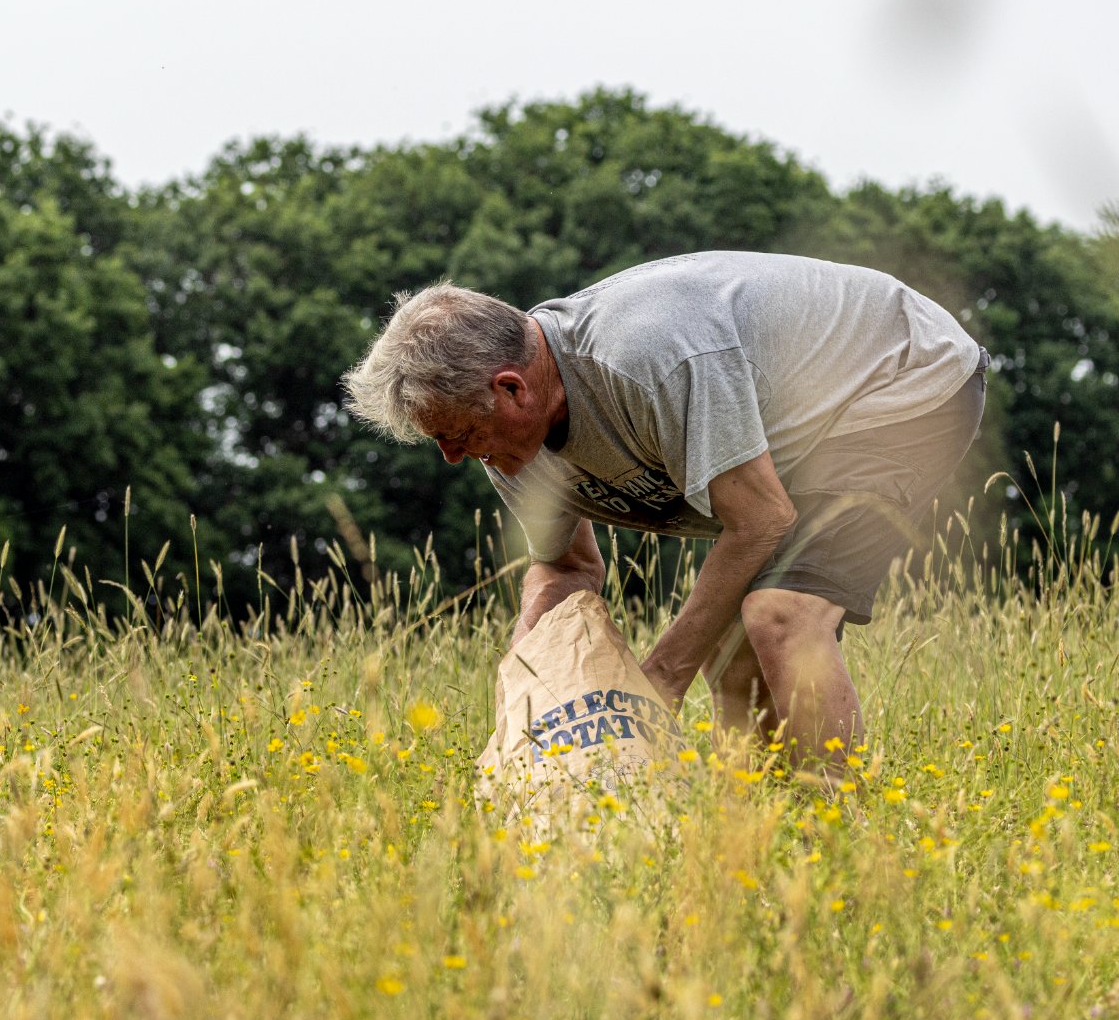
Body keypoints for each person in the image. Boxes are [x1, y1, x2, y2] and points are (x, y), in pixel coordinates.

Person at [343, 251, 986, 766]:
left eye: (456, 436)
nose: (455, 458)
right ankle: (758, 851)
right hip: (791, 436)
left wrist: (657, 680)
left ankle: (845, 849)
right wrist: (526, 698)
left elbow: (760, 518)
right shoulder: (511, 445)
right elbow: (565, 570)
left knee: (779, 613)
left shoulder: (649, 357)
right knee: (731, 649)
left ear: (509, 388)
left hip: (898, 381)